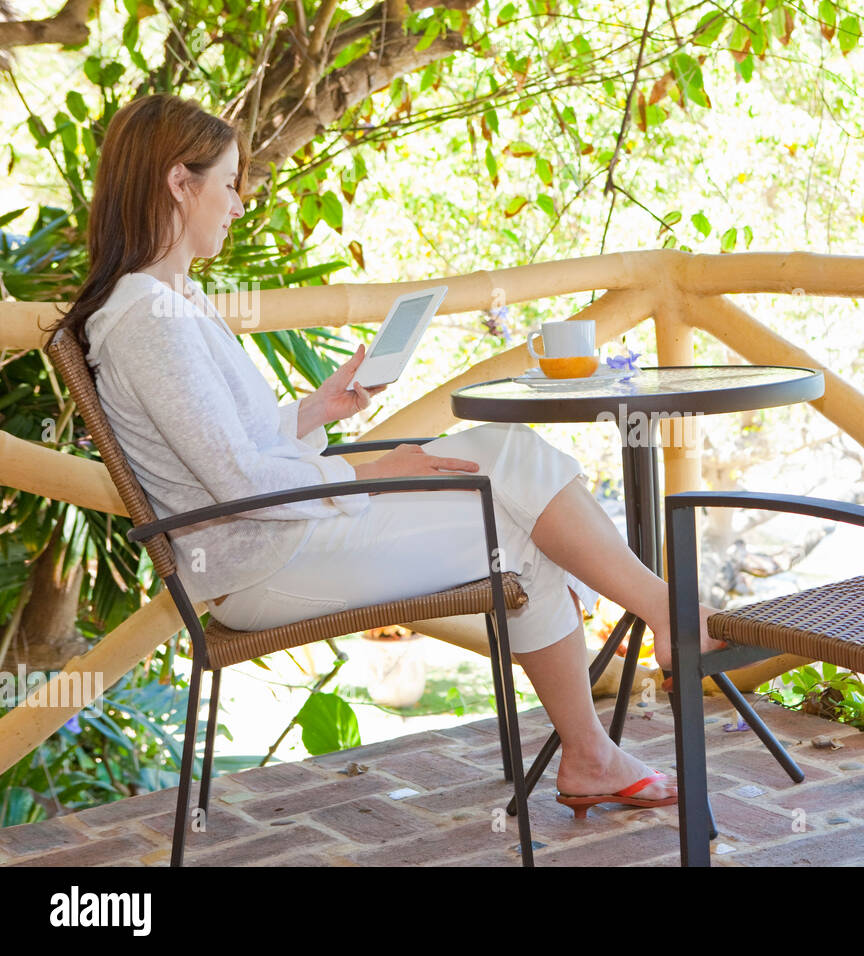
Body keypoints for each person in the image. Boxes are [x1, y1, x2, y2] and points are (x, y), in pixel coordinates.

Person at [43, 93, 725, 816]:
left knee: (508, 459)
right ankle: (661, 637)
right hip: (263, 559)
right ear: (180, 183)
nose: (239, 204)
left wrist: (318, 411)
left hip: (279, 533)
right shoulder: (151, 317)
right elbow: (232, 478)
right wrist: (370, 471)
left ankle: (634, 675)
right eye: (229, 183)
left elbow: (225, 446)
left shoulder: (168, 302)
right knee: (520, 527)